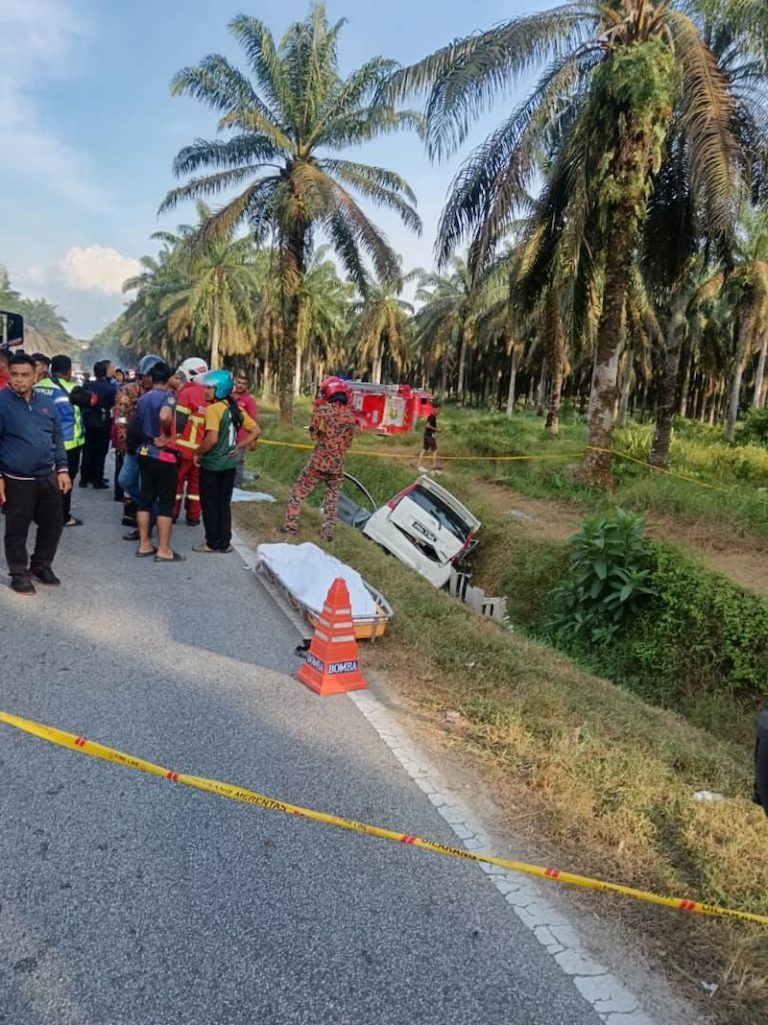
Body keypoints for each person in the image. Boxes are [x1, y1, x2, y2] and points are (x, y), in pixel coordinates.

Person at [0, 352, 71, 595]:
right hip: (17, 479)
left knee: (54, 524)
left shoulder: (46, 403)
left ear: (36, 376)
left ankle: (41, 565)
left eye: (25, 375)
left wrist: (62, 469)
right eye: (15, 374)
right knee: (17, 529)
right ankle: (19, 573)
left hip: (47, 475)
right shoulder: (2, 402)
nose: (19, 380)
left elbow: (57, 438)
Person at [192, 370, 259, 554]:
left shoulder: (213, 410)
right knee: (223, 504)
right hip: (229, 465)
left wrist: (198, 452)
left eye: (209, 388)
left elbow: (211, 439)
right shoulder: (235, 408)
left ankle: (212, 542)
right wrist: (239, 446)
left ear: (219, 389)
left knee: (210, 504)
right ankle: (225, 542)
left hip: (213, 465)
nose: (205, 391)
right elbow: (255, 430)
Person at [282, 376, 356, 542]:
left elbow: (314, 435)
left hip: (319, 462)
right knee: (332, 498)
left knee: (298, 492)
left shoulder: (322, 411)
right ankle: (327, 533)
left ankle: (290, 525)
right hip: (337, 465)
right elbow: (348, 443)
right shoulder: (350, 417)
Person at [35, 354, 93, 527]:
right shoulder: (71, 389)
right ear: (69, 370)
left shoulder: (37, 386)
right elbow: (92, 401)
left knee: (42, 479)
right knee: (65, 481)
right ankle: (63, 517)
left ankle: (40, 513)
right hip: (67, 444)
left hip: (40, 442)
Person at [135, 361, 184, 563]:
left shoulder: (143, 398)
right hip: (163, 455)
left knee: (145, 500)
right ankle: (164, 549)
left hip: (144, 451)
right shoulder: (168, 397)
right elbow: (165, 415)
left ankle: (144, 544)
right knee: (165, 502)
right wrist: (164, 433)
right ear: (167, 379)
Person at [115, 354, 164, 538]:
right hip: (134, 447)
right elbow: (120, 416)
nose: (147, 379)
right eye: (144, 375)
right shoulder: (129, 390)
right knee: (126, 480)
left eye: (150, 375)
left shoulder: (167, 393)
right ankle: (152, 511)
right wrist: (122, 439)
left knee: (150, 487)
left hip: (156, 450)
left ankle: (148, 522)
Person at [172, 357, 208, 525]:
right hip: (203, 450)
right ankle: (194, 516)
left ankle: (172, 512)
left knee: (177, 482)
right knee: (196, 485)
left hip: (184, 449)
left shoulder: (186, 393)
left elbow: (179, 421)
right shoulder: (211, 393)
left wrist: (173, 442)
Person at [80, 359, 115, 488]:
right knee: (100, 453)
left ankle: (84, 478)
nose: (113, 370)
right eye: (111, 368)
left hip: (88, 421)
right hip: (103, 422)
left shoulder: (88, 385)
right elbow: (112, 405)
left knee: (88, 451)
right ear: (106, 371)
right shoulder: (111, 388)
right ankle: (97, 479)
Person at [232, 371, 259, 489]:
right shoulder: (229, 396)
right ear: (235, 382)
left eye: (243, 383)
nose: (240, 385)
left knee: (237, 463)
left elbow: (253, 422)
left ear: (247, 386)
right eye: (238, 382)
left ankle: (236, 488)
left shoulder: (249, 400)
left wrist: (253, 440)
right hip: (226, 436)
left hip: (241, 438)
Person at [418, 399, 440, 472]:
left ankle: (419, 465)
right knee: (435, 450)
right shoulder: (432, 416)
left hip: (426, 435)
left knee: (424, 449)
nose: (439, 411)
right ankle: (433, 466)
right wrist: (436, 429)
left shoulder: (431, 416)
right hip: (429, 436)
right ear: (434, 409)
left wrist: (435, 432)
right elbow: (427, 425)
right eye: (438, 409)